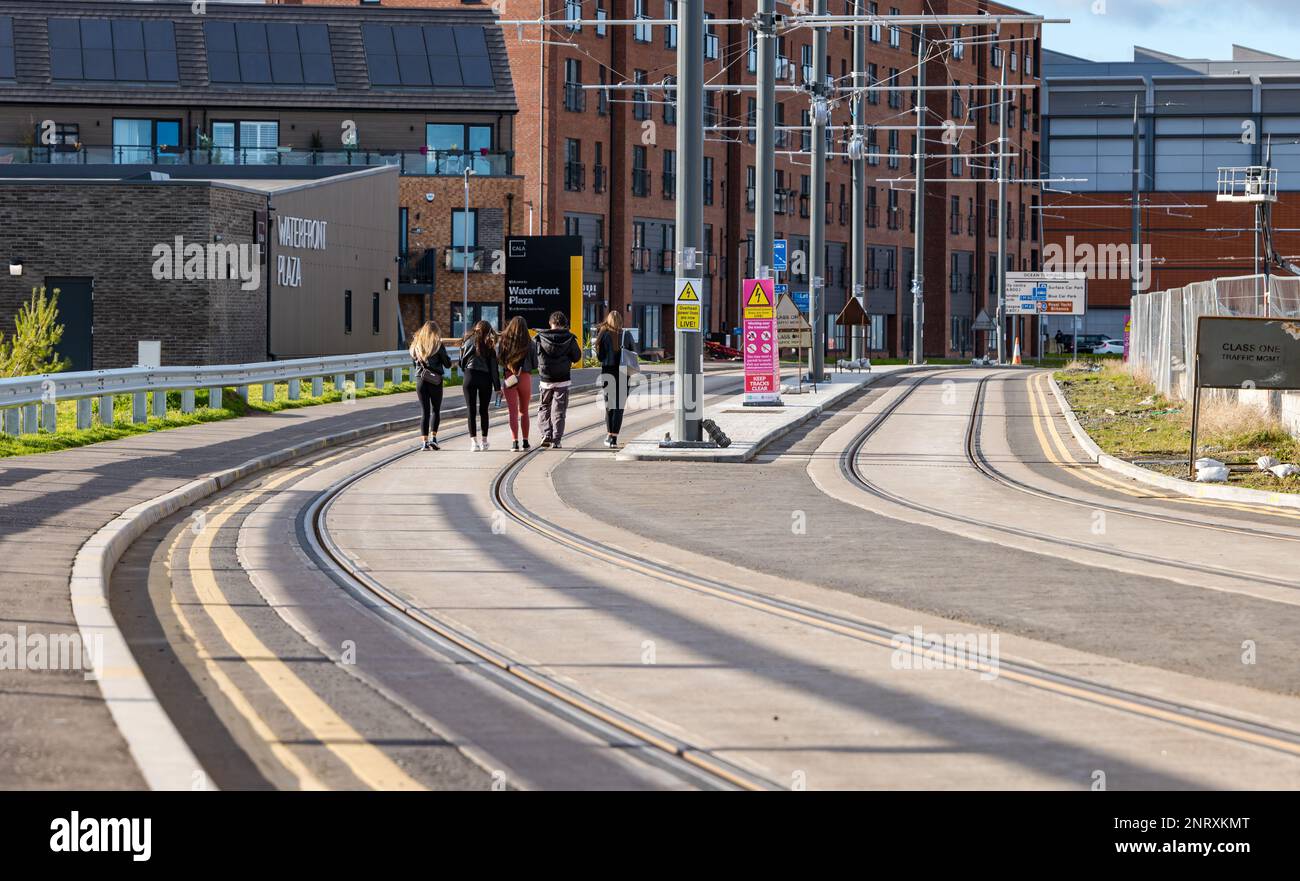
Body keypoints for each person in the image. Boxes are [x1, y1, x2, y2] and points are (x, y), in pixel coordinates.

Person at [535, 310, 582, 449]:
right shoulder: (570, 338)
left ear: (551, 323)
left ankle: (546, 434)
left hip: (546, 379)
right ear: (564, 324)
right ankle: (556, 440)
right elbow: (577, 357)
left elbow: (533, 355)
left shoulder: (539, 338)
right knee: (559, 410)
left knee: (544, 407)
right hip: (563, 378)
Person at [496, 315, 538, 452]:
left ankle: (515, 443)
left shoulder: (504, 342)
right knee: (524, 411)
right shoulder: (531, 343)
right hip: (525, 377)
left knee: (512, 412)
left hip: (509, 378)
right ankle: (525, 442)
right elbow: (535, 364)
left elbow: (500, 361)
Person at [409, 320, 452, 451]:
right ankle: (433, 438)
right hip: (435, 380)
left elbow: (414, 365)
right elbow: (447, 364)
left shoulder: (415, 345)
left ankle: (424, 443)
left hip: (420, 380)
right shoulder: (438, 345)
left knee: (425, 412)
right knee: (436, 410)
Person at [459, 319, 501, 451]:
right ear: (488, 331)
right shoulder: (489, 345)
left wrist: (466, 371)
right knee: (484, 411)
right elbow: (494, 370)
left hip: (469, 376)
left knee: (471, 410)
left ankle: (474, 443)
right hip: (485, 378)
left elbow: (462, 362)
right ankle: (484, 441)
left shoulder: (467, 341)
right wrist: (498, 388)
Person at [595, 310, 627, 448]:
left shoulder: (604, 334)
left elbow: (600, 357)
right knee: (619, 407)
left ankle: (609, 435)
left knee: (610, 407)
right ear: (620, 321)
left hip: (608, 373)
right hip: (623, 373)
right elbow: (633, 353)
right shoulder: (626, 335)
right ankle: (614, 438)